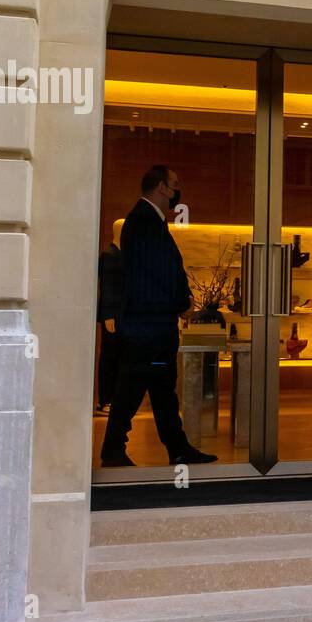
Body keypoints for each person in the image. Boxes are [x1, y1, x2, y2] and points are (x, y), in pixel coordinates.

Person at [100, 165, 218, 467]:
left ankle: (177, 448)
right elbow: (157, 273)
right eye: (174, 184)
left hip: (150, 325)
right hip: (149, 327)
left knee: (160, 390)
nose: (177, 190)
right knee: (134, 389)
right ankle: (116, 449)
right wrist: (181, 301)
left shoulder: (146, 220)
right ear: (162, 187)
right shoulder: (144, 221)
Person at [95, 240, 124, 412]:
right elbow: (107, 286)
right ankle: (105, 399)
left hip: (120, 315)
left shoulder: (122, 254)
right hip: (113, 315)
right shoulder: (110, 256)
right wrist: (108, 314)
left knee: (117, 357)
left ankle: (113, 399)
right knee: (109, 357)